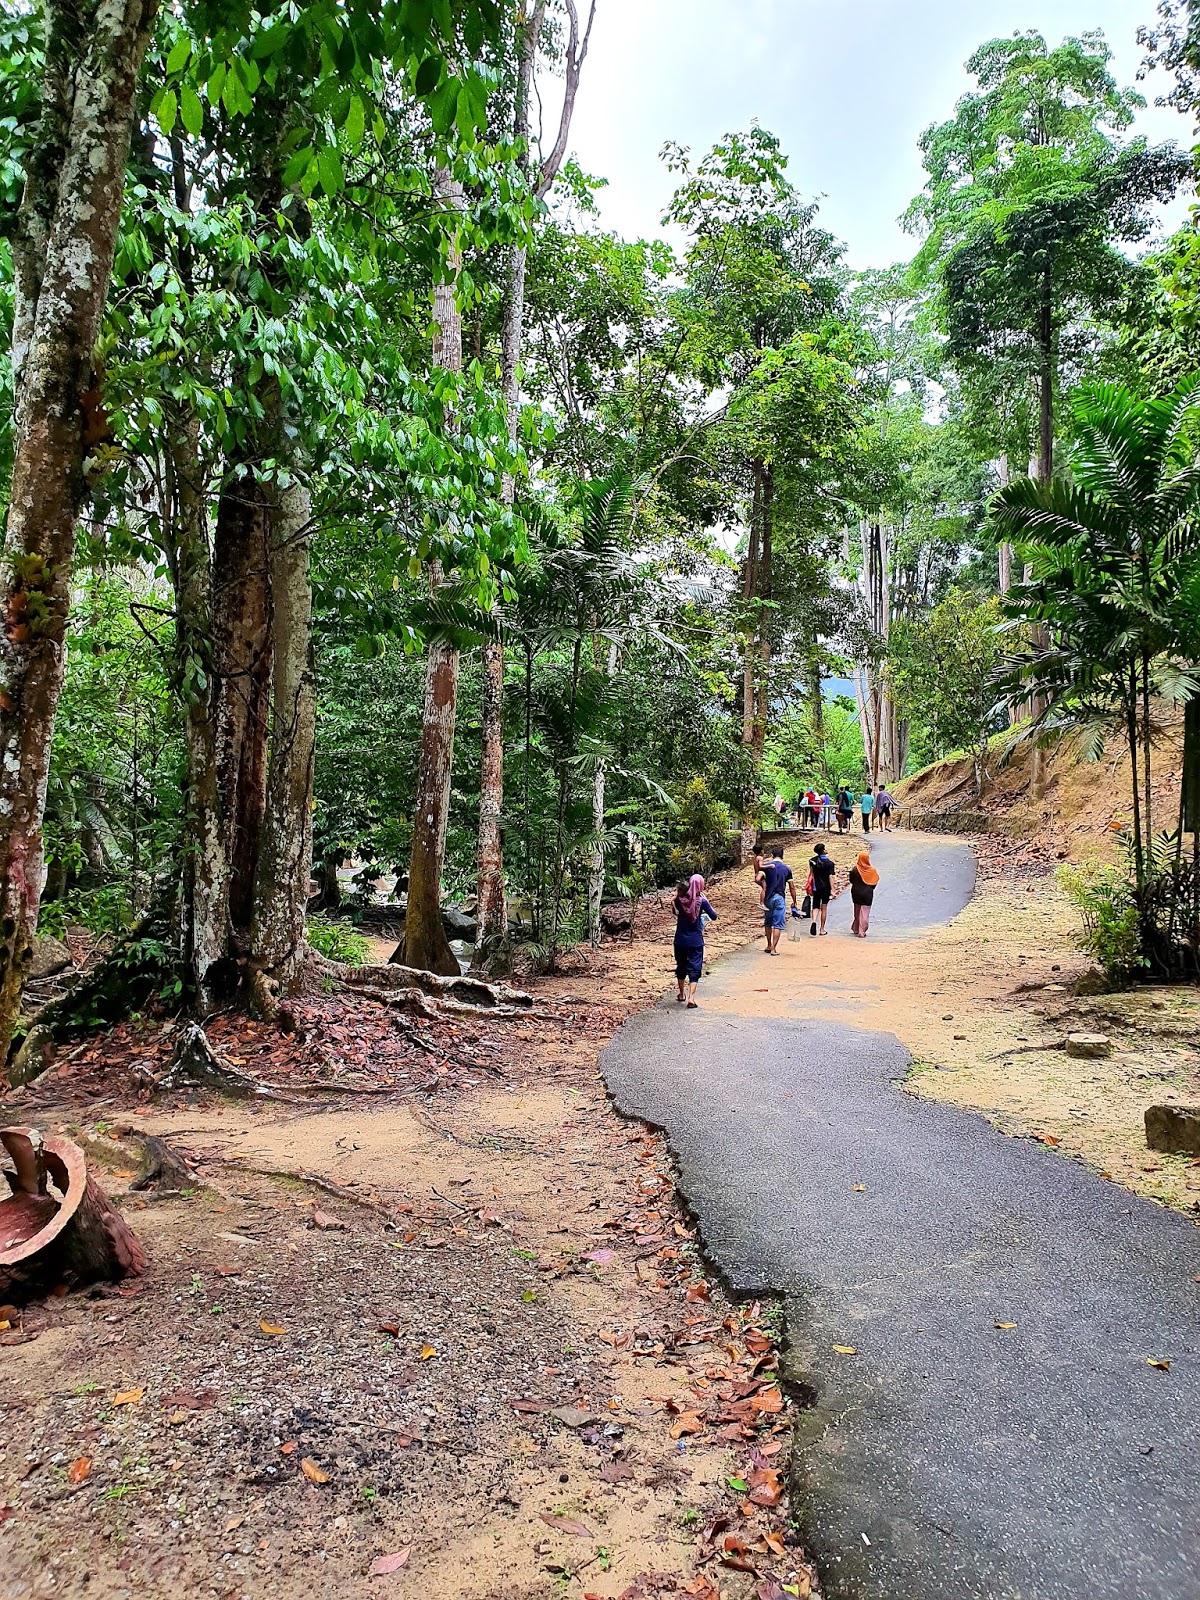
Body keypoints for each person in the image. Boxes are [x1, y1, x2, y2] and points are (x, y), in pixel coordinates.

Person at [673, 873, 717, 1007]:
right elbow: (714, 916)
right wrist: (706, 901)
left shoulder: (679, 900)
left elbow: (675, 911)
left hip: (680, 940)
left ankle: (681, 994)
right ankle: (691, 998)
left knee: (681, 966)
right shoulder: (701, 901)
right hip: (695, 940)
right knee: (695, 968)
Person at [757, 845, 798, 954]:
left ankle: (769, 945)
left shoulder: (766, 866)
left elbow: (758, 878)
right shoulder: (786, 869)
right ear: (782, 856)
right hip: (779, 897)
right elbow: (791, 887)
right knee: (778, 923)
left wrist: (763, 886)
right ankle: (774, 948)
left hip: (768, 897)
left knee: (768, 921)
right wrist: (794, 901)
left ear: (772, 855)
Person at [848, 850, 879, 937]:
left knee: (857, 911)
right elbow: (875, 882)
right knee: (865, 912)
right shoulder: (872, 871)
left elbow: (851, 880)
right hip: (867, 894)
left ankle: (856, 928)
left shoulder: (854, 869)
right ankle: (862, 931)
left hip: (856, 892)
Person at [807, 840, 835, 936]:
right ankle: (822, 929)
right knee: (824, 907)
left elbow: (811, 874)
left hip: (816, 887)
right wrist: (833, 889)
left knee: (815, 906)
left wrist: (809, 886)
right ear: (823, 851)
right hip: (826, 888)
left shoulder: (812, 861)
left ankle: (814, 921)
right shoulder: (830, 863)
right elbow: (831, 877)